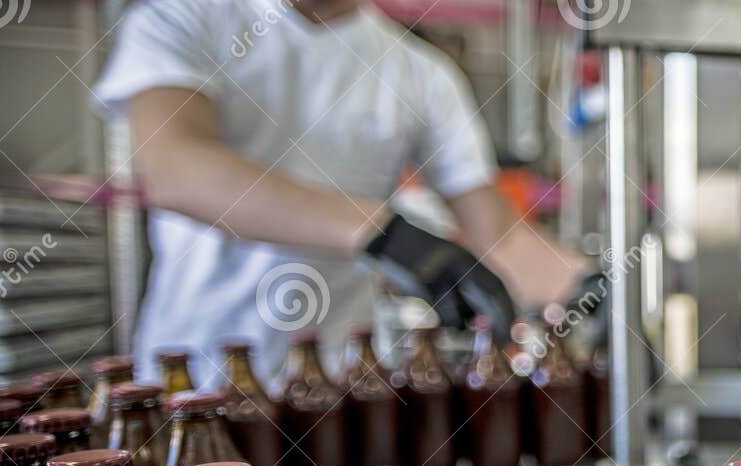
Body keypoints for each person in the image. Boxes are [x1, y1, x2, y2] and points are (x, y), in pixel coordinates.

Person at [94, 0, 593, 382]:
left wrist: (594, 291)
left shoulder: (419, 71)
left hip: (343, 383)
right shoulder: (183, 19)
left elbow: (501, 237)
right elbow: (176, 167)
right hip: (194, 380)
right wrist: (383, 232)